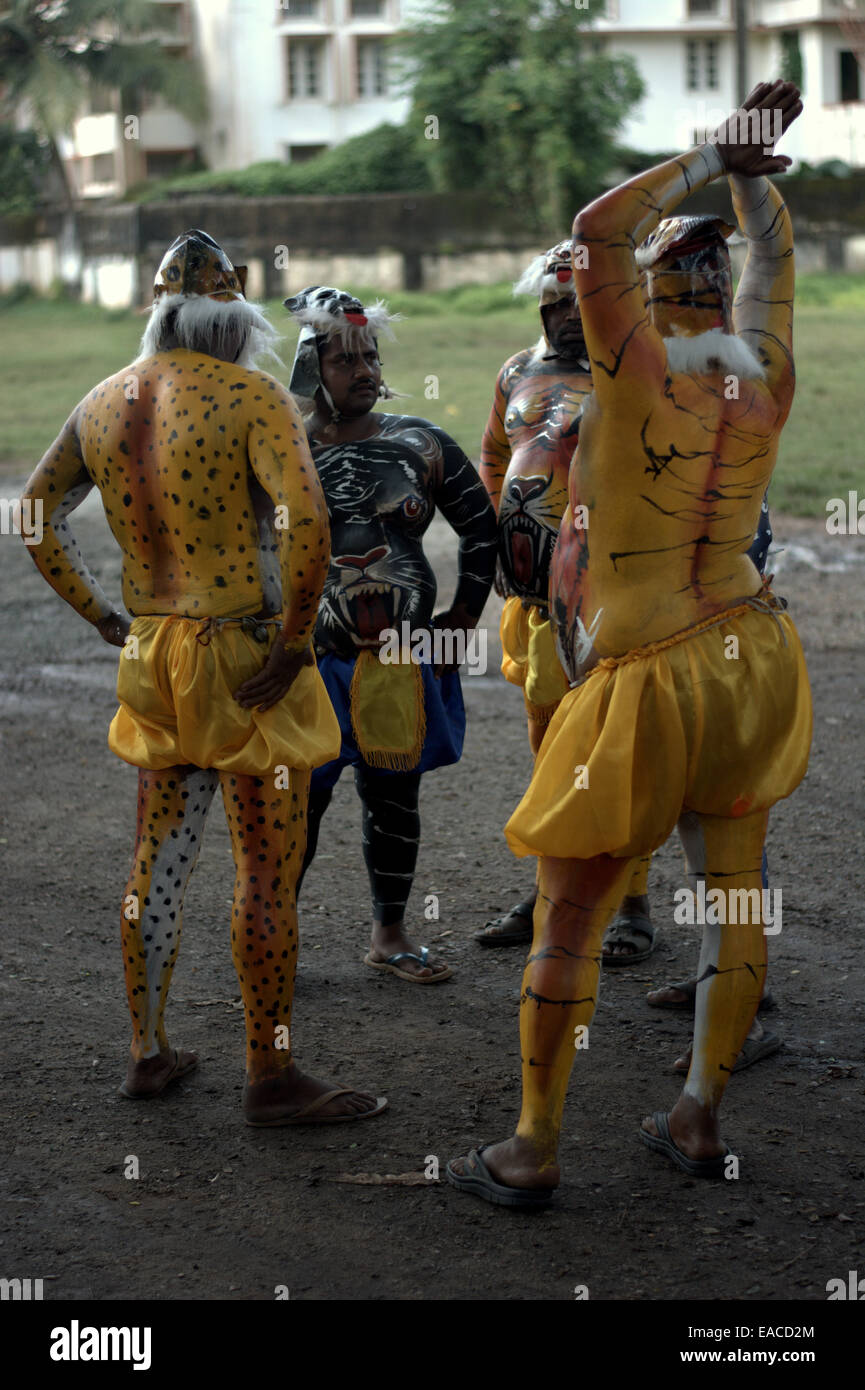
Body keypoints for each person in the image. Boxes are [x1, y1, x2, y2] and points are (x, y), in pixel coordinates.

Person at [447, 82, 811, 1206]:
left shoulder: (632, 367)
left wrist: (711, 152)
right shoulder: (763, 371)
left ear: (649, 294)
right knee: (734, 893)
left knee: (570, 910)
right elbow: (773, 261)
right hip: (753, 652)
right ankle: (697, 1116)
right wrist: (753, 183)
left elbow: (594, 228)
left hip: (648, 670)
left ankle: (532, 1147)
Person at [21, 229, 386, 1126]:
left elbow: (35, 514)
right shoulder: (253, 397)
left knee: (160, 857)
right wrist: (297, 639)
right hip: (245, 654)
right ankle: (270, 1072)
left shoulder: (102, 402)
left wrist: (105, 618)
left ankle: (147, 1052)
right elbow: (309, 525)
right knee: (264, 868)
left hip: (154, 655)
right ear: (229, 320)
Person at [285, 286, 498, 982]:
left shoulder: (420, 442)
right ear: (309, 370)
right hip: (310, 665)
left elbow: (479, 529)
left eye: (370, 355)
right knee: (297, 807)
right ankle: (272, 941)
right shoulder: (279, 451)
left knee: (394, 798)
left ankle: (390, 934)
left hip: (399, 663)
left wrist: (462, 620)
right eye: (344, 360)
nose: (365, 370)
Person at [472, 239, 596, 948]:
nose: (565, 314)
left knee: (608, 744)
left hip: (603, 598)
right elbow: (493, 455)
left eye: (578, 299)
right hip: (529, 599)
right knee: (549, 745)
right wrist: (493, 537)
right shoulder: (515, 371)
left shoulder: (628, 369)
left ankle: (628, 903)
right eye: (553, 302)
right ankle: (549, 891)